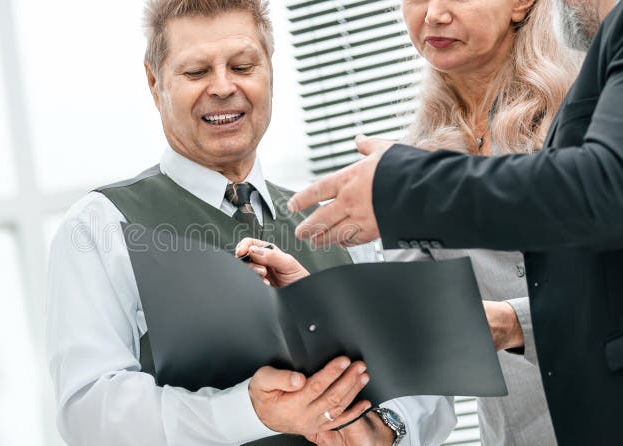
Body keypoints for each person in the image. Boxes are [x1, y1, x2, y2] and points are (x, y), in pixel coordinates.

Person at [45, 1, 455, 445]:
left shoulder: (341, 220)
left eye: (242, 65)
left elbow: (421, 378)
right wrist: (248, 412)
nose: (222, 87)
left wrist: (384, 432)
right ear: (154, 81)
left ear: (270, 72)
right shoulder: (102, 225)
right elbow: (88, 414)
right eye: (196, 72)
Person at [242, 0, 581, 444]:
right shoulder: (417, 154)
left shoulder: (587, 122)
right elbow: (416, 327)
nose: (434, 14)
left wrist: (509, 323)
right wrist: (314, 302)